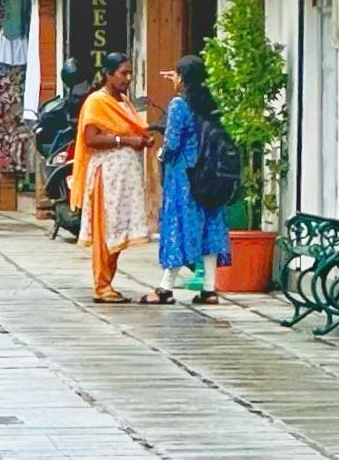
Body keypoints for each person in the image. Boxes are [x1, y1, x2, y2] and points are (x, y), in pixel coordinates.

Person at [70, 56, 153, 301]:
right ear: (108, 74)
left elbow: (131, 129)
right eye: (123, 73)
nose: (128, 78)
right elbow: (91, 139)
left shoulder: (124, 102)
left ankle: (109, 283)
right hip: (106, 175)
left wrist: (142, 139)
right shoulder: (97, 101)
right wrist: (126, 141)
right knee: (104, 229)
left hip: (124, 177)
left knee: (118, 229)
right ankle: (102, 285)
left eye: (130, 74)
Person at [157, 50, 234, 304]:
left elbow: (172, 143)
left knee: (179, 226)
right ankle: (210, 289)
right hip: (211, 174)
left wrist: (161, 155)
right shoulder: (211, 103)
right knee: (210, 226)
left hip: (185, 175)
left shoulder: (179, 104)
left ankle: (165, 287)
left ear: (181, 77)